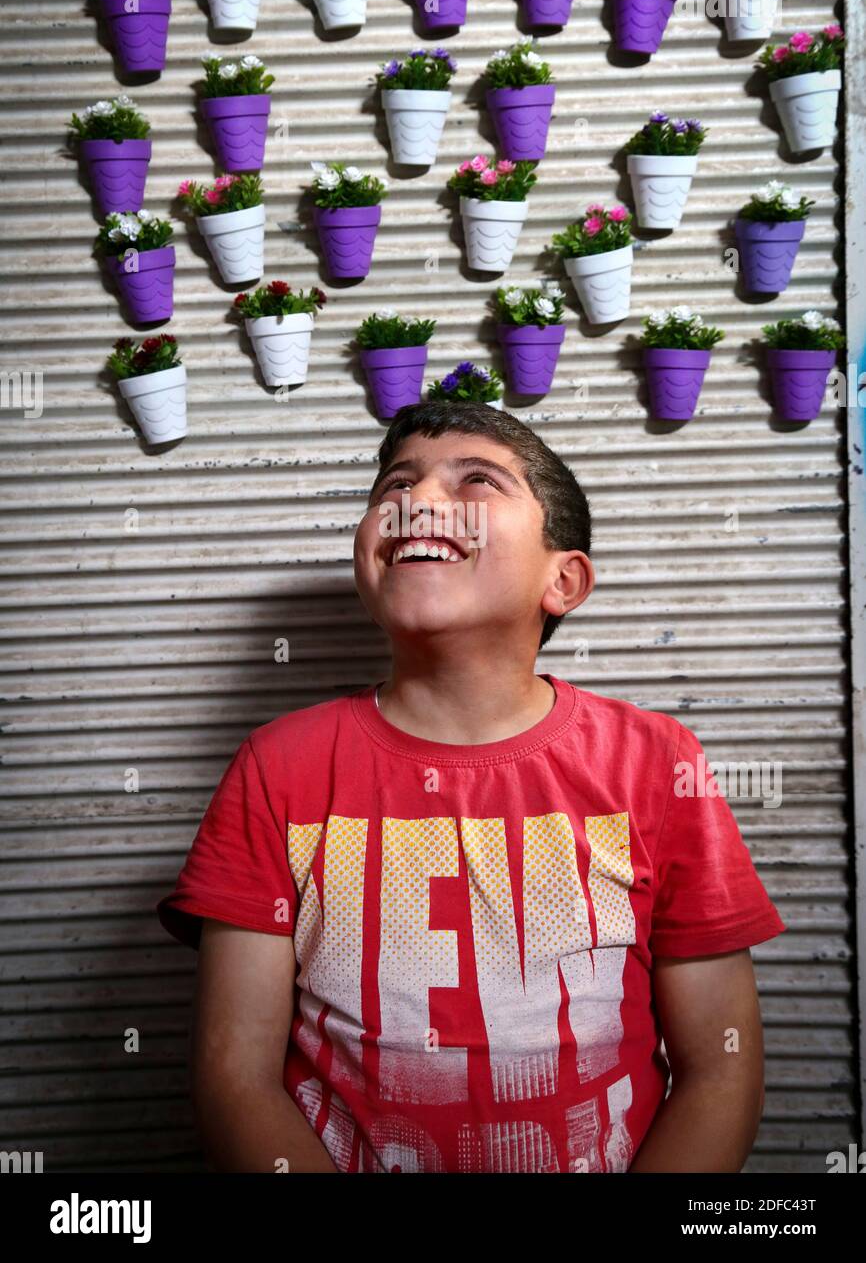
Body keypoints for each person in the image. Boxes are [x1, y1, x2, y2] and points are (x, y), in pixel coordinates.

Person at [157, 400, 785, 1174]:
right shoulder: (277, 767)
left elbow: (721, 1069)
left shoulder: (656, 762)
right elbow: (234, 1078)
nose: (414, 503)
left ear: (564, 579)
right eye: (393, 486)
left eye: (478, 480)